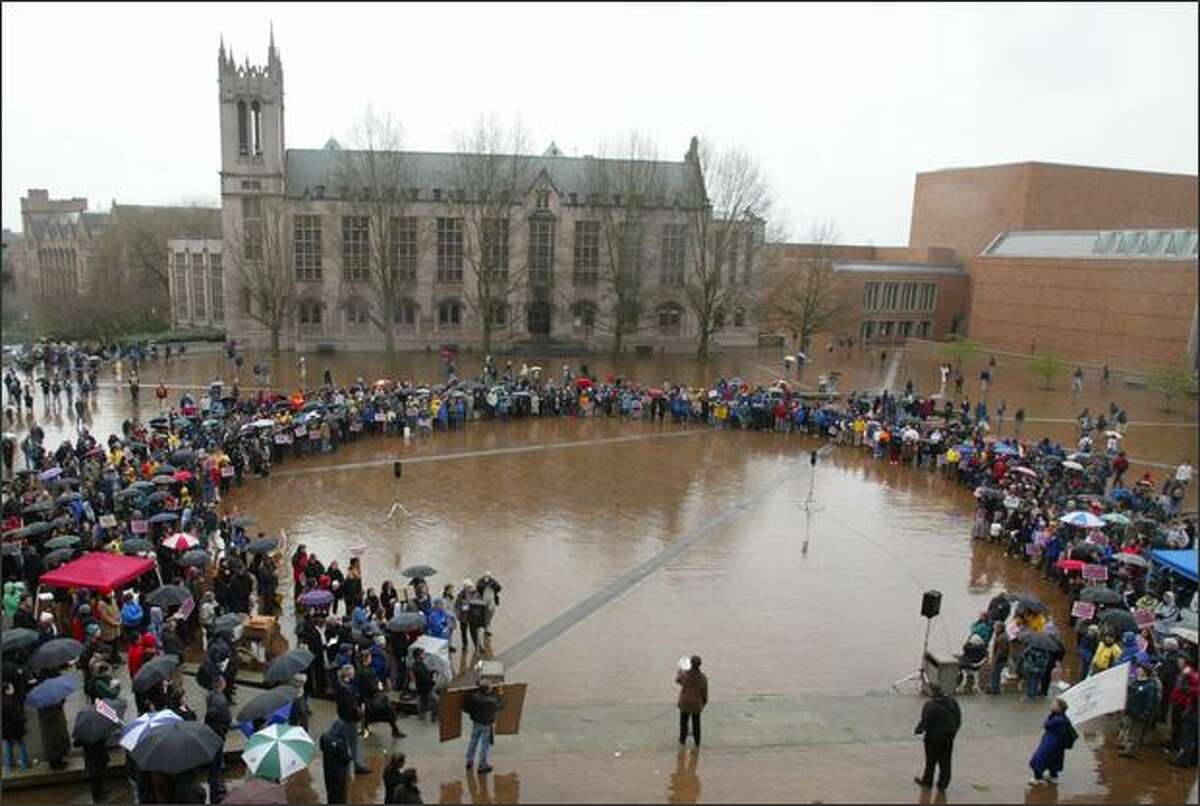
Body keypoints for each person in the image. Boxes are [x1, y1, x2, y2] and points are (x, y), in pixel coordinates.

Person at [913, 682, 961, 792]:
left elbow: (925, 720)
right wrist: (953, 731)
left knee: (931, 761)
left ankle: (927, 781)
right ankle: (943, 784)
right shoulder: (952, 702)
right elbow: (958, 719)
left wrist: (918, 730)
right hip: (948, 736)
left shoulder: (930, 704)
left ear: (931, 691)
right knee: (946, 760)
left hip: (933, 737)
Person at [1029, 697, 1076, 785]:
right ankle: (1053, 776)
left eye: (1054, 704)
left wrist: (1050, 716)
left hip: (1051, 742)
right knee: (1054, 760)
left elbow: (1046, 724)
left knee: (1040, 758)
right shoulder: (1062, 718)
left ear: (1059, 708)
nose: (1052, 705)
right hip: (1056, 744)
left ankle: (1037, 778)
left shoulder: (1057, 720)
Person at [1118, 662, 1161, 758]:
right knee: (1129, 729)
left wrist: (1146, 713)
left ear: (1145, 671)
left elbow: (1150, 701)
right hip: (1131, 710)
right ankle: (1126, 746)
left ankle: (1130, 751)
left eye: (1140, 668)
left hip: (1139, 713)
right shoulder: (1136, 681)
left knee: (1135, 732)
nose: (1137, 670)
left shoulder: (1151, 686)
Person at [334, 664, 370, 775]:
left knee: (346, 740)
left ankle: (346, 762)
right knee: (355, 743)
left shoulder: (340, 685)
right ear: (349, 674)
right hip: (351, 719)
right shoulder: (347, 689)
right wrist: (360, 713)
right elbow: (351, 706)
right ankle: (358, 764)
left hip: (343, 716)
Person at [204, 674, 232, 803]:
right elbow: (227, 718)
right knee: (217, 760)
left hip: (211, 731)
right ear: (221, 684)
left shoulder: (210, 696)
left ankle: (212, 781)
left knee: (214, 760)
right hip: (219, 732)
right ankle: (216, 788)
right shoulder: (222, 700)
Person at [464, 681, 503, 773]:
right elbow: (500, 706)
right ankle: (482, 764)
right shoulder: (491, 701)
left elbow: (466, 707)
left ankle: (469, 760)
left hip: (476, 723)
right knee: (485, 745)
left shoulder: (474, 697)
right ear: (487, 690)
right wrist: (500, 694)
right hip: (486, 724)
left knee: (473, 742)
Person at [675, 655, 708, 747]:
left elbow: (678, 681)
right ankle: (697, 744)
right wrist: (704, 703)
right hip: (696, 704)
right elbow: (704, 693)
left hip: (684, 703)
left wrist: (679, 672)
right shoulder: (703, 678)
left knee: (683, 724)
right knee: (696, 724)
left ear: (691, 663)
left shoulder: (685, 675)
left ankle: (682, 743)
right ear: (699, 664)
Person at [320, 719, 354, 804]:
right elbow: (344, 758)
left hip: (328, 771)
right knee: (340, 795)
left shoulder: (324, 737)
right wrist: (350, 757)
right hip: (339, 773)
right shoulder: (341, 742)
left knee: (330, 793)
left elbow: (322, 748)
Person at [2, 680, 29, 771]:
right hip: (16, 728)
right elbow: (17, 716)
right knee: (21, 745)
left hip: (5, 729)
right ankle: (24, 764)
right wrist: (23, 722)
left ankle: (9, 766)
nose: (12, 689)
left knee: (8, 747)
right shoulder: (12, 701)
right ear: (6, 690)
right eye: (10, 688)